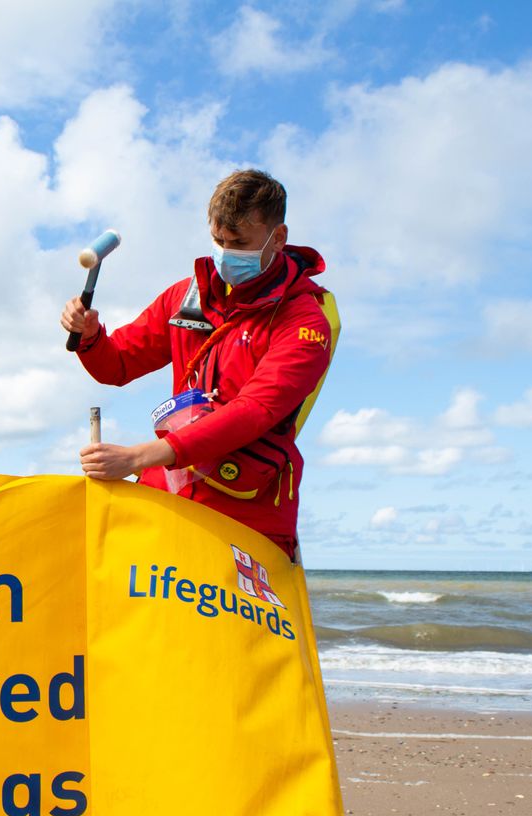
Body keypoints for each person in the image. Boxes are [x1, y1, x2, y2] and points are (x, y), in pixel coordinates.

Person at [61, 169, 338, 559]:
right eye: (217, 240)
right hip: (168, 496)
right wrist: (90, 335)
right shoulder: (184, 295)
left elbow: (255, 410)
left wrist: (136, 457)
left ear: (278, 237)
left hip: (248, 514)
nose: (225, 253)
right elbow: (117, 365)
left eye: (239, 242)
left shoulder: (306, 321)